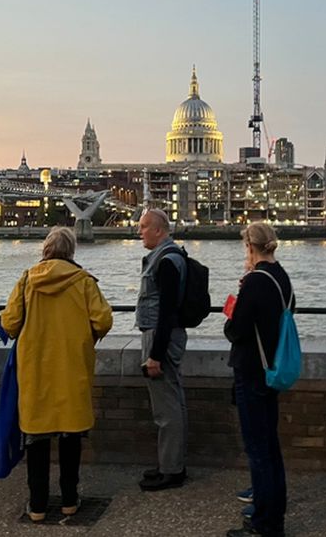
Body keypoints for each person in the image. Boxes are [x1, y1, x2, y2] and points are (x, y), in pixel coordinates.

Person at [0, 227, 113, 522]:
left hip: (35, 368)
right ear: (71, 251)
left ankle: (37, 505)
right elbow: (103, 319)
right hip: (71, 367)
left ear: (46, 250)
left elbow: (10, 322)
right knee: (70, 435)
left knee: (36, 438)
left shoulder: (27, 280)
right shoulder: (84, 282)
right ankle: (69, 500)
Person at [223, 223, 292, 537]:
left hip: (251, 371)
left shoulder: (254, 281)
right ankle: (273, 511)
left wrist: (234, 309)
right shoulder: (282, 278)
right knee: (270, 446)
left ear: (250, 247)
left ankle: (266, 524)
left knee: (258, 449)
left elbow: (236, 330)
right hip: (272, 368)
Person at [136, 208, 189, 491]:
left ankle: (172, 470)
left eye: (144, 227)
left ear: (159, 230)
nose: (139, 231)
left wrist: (155, 354)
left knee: (166, 408)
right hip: (166, 335)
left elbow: (167, 311)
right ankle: (172, 464)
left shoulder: (166, 261)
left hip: (160, 337)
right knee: (174, 401)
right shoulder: (171, 256)